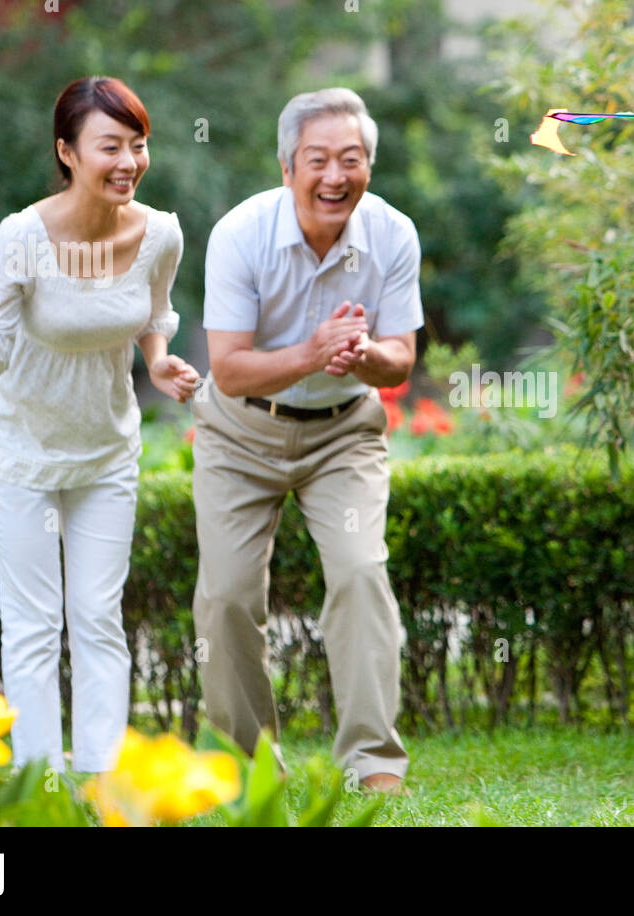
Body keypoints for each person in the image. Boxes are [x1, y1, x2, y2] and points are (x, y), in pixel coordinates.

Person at [0, 76, 199, 773]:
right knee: (32, 624)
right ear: (68, 152)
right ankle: (38, 784)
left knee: (98, 617)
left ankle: (104, 781)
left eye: (138, 146)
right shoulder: (22, 236)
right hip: (21, 447)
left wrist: (161, 360)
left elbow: (154, 314)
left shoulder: (159, 233)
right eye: (109, 146)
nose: (128, 162)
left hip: (107, 447)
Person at [193, 87, 421, 792]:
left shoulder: (392, 234)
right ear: (287, 166)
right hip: (240, 433)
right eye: (317, 160)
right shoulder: (239, 234)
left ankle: (373, 764)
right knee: (226, 595)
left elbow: (401, 359)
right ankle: (244, 766)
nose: (334, 176)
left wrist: (363, 359)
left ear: (369, 166)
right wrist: (312, 351)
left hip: (341, 434)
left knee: (359, 573)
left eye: (350, 159)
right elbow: (227, 370)